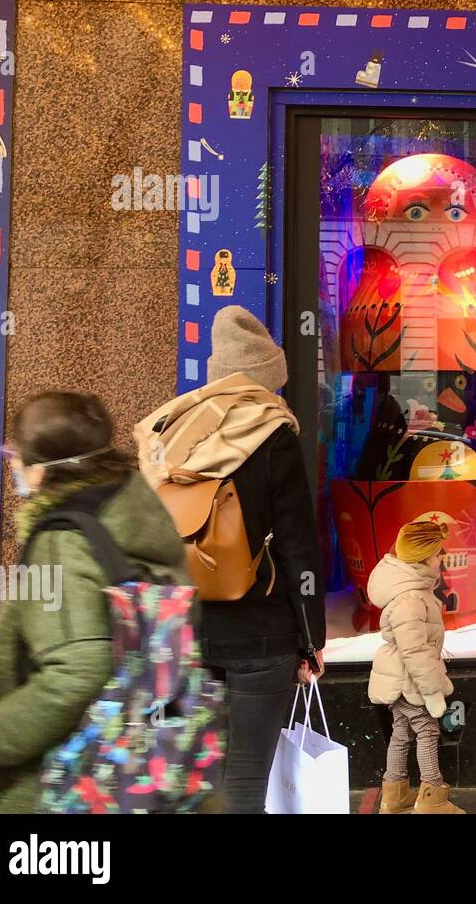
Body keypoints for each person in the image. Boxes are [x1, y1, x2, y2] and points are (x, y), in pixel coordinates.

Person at [136, 305, 327, 814]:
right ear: (267, 380)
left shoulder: (174, 431)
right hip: (262, 635)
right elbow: (296, 545)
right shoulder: (274, 435)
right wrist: (312, 641)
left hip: (186, 628)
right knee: (245, 777)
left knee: (198, 773)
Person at [0, 392, 189, 813]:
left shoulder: (63, 540)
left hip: (62, 778)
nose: (11, 463)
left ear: (42, 469)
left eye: (15, 454)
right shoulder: (133, 511)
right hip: (141, 762)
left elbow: (76, 672)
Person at [367, 520, 464, 814]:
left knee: (401, 732)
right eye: (438, 554)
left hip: (400, 678)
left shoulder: (413, 589)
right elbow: (415, 651)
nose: (441, 559)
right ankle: (433, 798)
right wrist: (433, 692)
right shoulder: (411, 598)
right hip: (409, 681)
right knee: (427, 731)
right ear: (423, 557)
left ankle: (394, 795)